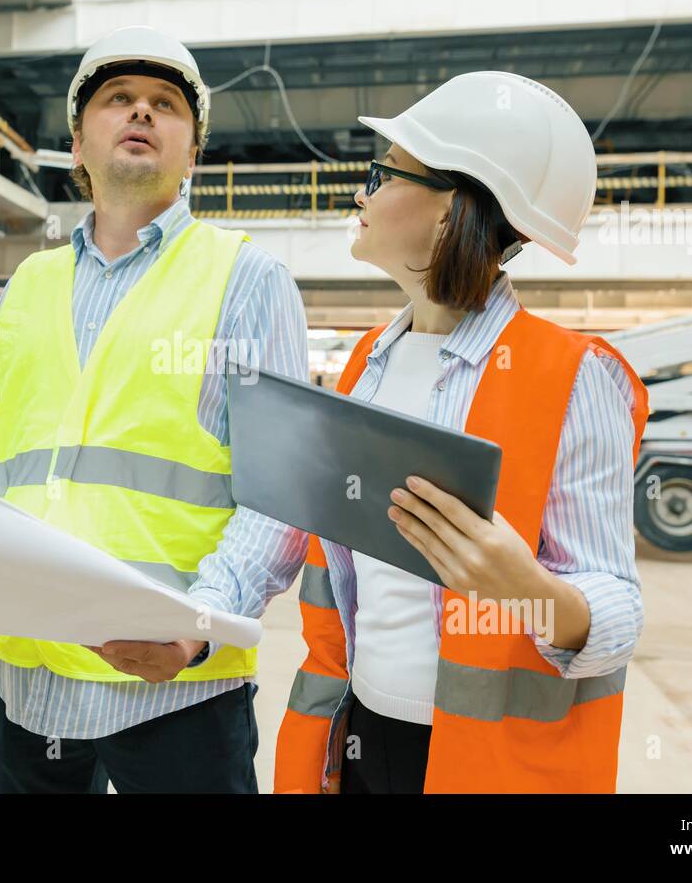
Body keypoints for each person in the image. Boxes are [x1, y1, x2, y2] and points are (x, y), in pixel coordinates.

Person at [0, 26, 309, 793]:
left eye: (165, 104)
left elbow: (278, 491)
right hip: (21, 676)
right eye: (118, 99)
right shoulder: (27, 286)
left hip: (172, 689)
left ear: (192, 153)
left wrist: (198, 623)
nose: (141, 112)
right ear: (78, 143)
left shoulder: (247, 278)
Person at [221, 71, 647, 792]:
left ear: (452, 207)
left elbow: (617, 614)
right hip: (355, 741)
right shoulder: (365, 365)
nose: (360, 193)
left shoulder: (575, 377)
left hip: (487, 768)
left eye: (380, 173)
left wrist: (529, 589)